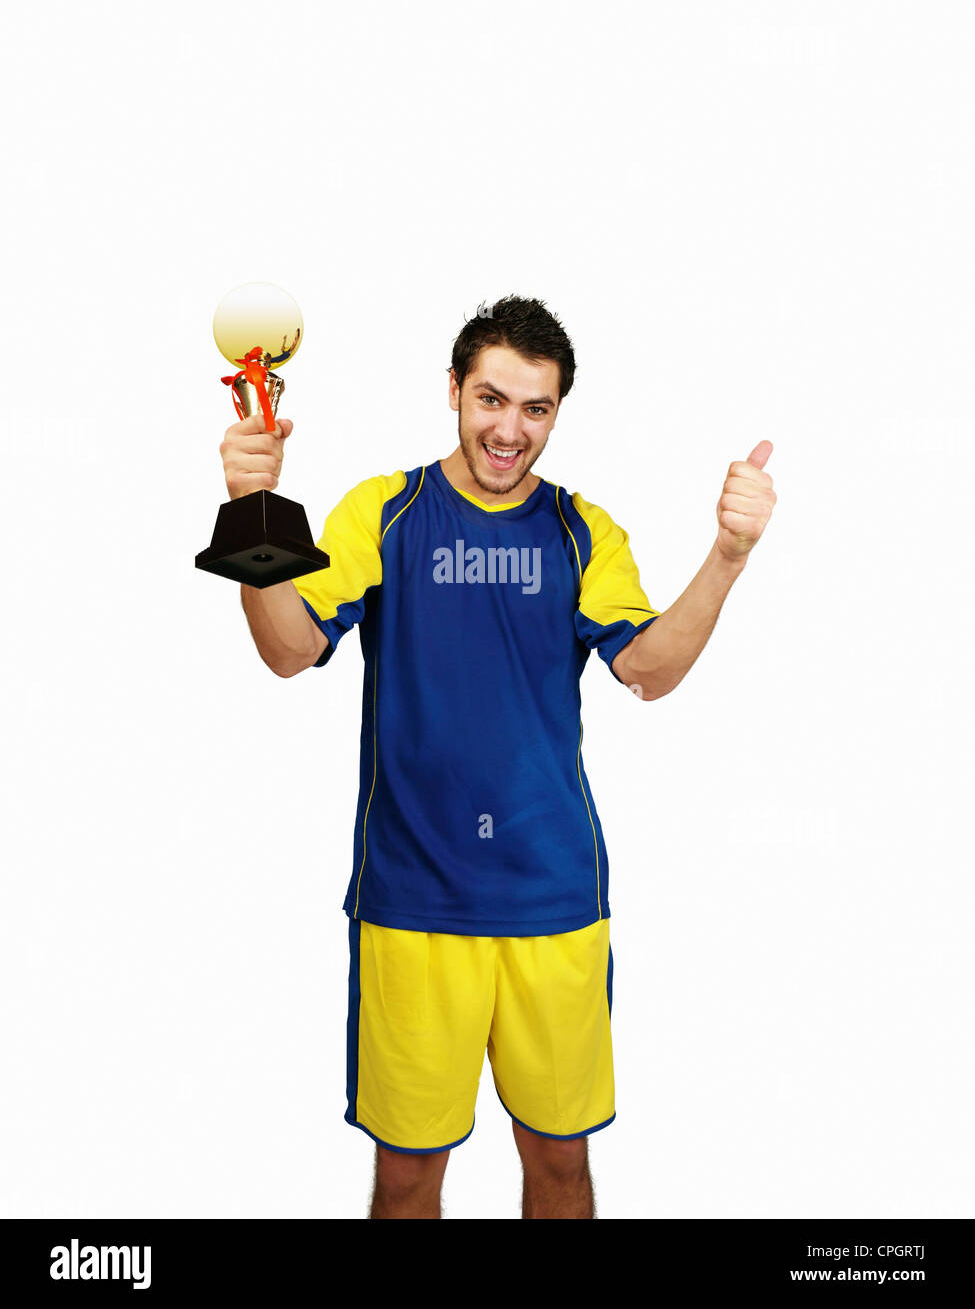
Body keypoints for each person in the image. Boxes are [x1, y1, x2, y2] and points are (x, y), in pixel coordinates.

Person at [221, 295, 777, 1219]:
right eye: (490, 399)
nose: (509, 430)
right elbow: (287, 649)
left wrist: (726, 554)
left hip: (551, 897)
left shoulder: (581, 530)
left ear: (556, 414)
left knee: (558, 1166)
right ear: (452, 392)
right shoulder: (384, 510)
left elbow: (649, 671)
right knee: (405, 1177)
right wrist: (252, 512)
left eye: (535, 409)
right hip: (413, 900)